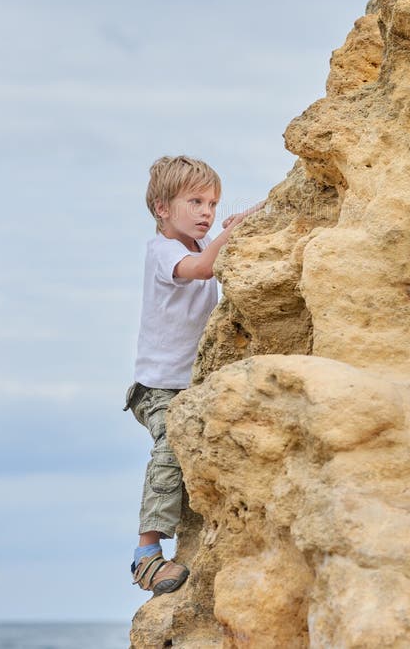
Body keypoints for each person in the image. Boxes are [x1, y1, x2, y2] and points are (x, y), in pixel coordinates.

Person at [124, 155, 263, 596]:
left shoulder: (203, 244)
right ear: (163, 208)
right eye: (196, 201)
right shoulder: (165, 250)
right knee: (169, 448)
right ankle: (145, 556)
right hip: (157, 389)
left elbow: (219, 248)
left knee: (196, 457)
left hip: (189, 386)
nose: (208, 212)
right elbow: (203, 270)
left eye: (214, 203)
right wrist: (228, 234)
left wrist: (254, 218)